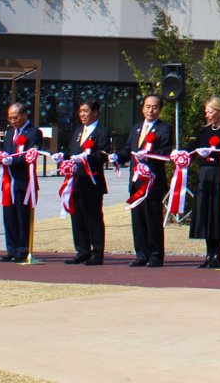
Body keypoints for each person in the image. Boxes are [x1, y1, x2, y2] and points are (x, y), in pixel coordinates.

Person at [116, 94, 174, 267]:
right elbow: (128, 150)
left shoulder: (164, 128)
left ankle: (156, 254)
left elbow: (165, 151)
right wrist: (117, 157)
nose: (151, 110)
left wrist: (148, 156)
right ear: (142, 108)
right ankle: (141, 254)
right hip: (136, 181)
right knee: (138, 219)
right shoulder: (136, 128)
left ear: (160, 109)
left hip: (152, 182)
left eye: (155, 107)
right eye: (148, 106)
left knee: (153, 218)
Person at [188, 97, 220, 269]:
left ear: (219, 111)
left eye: (210, 111)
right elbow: (194, 145)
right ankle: (209, 253)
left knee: (218, 214)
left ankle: (218, 253)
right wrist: (182, 152)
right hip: (205, 175)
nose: (208, 115)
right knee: (206, 213)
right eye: (206, 112)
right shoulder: (204, 131)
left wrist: (213, 152)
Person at [64, 100, 108, 266]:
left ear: (95, 112)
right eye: (80, 111)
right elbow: (71, 152)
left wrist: (87, 157)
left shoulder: (102, 131)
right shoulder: (78, 131)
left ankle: (97, 253)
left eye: (85, 111)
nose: (82, 114)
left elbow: (102, 155)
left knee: (93, 218)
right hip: (75, 181)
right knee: (77, 218)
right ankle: (82, 251)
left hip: (92, 182)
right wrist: (63, 157)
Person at [0, 101, 41, 263]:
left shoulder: (33, 132)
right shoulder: (10, 133)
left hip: (24, 180)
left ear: (24, 115)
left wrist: (12, 161)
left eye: (15, 118)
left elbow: (31, 154)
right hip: (9, 180)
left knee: (22, 215)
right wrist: (1, 158)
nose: (12, 121)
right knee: (9, 214)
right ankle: (11, 248)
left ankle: (23, 249)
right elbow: (8, 151)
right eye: (10, 118)